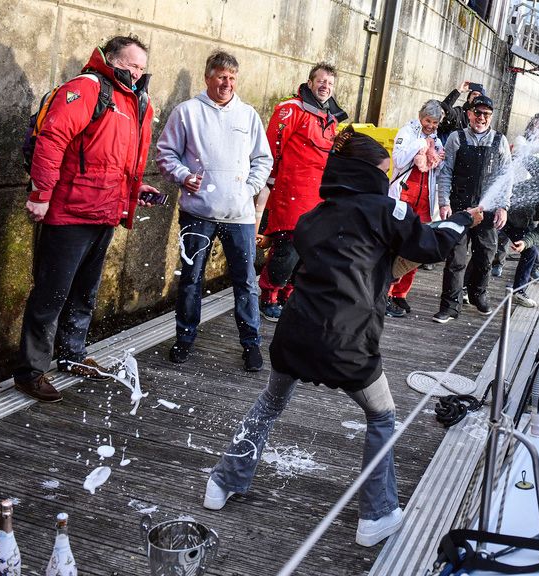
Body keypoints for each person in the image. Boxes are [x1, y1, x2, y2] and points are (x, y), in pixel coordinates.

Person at [202, 127, 483, 549]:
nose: (389, 178)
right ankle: (377, 514)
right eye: (385, 171)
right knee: (383, 416)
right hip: (347, 345)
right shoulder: (388, 210)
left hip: (293, 334)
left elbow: (354, 260)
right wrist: (463, 218)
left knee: (269, 405)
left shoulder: (312, 216)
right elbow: (433, 244)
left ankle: (222, 482)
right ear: (369, 172)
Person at [12, 35, 158, 403]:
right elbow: (52, 139)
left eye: (141, 66)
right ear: (111, 60)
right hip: (69, 212)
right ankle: (31, 371)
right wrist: (41, 195)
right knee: (51, 293)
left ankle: (72, 355)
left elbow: (115, 163)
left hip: (105, 213)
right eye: (129, 64)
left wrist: (135, 191)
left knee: (84, 292)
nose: (136, 72)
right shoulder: (88, 88)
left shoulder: (137, 102)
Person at [155, 50, 272, 371]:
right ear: (208, 77)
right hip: (197, 213)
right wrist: (183, 176)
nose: (227, 83)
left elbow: (263, 160)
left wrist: (246, 189)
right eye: (221, 76)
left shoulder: (248, 115)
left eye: (232, 78)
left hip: (240, 218)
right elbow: (165, 154)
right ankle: (185, 338)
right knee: (191, 279)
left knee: (246, 281)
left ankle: (251, 344)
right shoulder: (187, 112)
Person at [258, 63, 347, 321]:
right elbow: (272, 147)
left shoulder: (331, 118)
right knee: (288, 247)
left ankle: (289, 293)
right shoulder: (291, 109)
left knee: (310, 249)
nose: (325, 87)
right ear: (309, 83)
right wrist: (268, 184)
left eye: (329, 84)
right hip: (291, 191)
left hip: (318, 195)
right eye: (320, 82)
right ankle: (268, 296)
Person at [433, 95, 512, 323]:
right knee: (455, 259)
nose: (481, 118)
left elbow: (506, 178)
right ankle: (449, 306)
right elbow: (445, 172)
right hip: (460, 208)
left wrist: (503, 207)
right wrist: (444, 203)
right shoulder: (456, 138)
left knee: (485, 256)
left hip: (488, 211)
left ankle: (478, 294)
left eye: (486, 114)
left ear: (491, 117)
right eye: (477, 113)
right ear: (469, 114)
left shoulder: (500, 141)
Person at [384, 100, 447, 318]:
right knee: (396, 247)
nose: (430, 125)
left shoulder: (437, 139)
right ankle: (386, 293)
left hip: (424, 202)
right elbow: (399, 160)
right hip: (404, 197)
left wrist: (437, 157)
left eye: (435, 122)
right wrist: (420, 146)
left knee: (415, 250)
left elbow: (437, 170)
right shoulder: (407, 131)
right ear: (420, 117)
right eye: (427, 120)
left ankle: (400, 294)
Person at [493, 112, 539, 279]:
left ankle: (534, 267)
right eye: (537, 124)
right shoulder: (521, 140)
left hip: (531, 199)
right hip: (513, 192)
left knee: (531, 234)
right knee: (502, 233)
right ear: (531, 126)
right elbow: (524, 152)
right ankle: (497, 263)